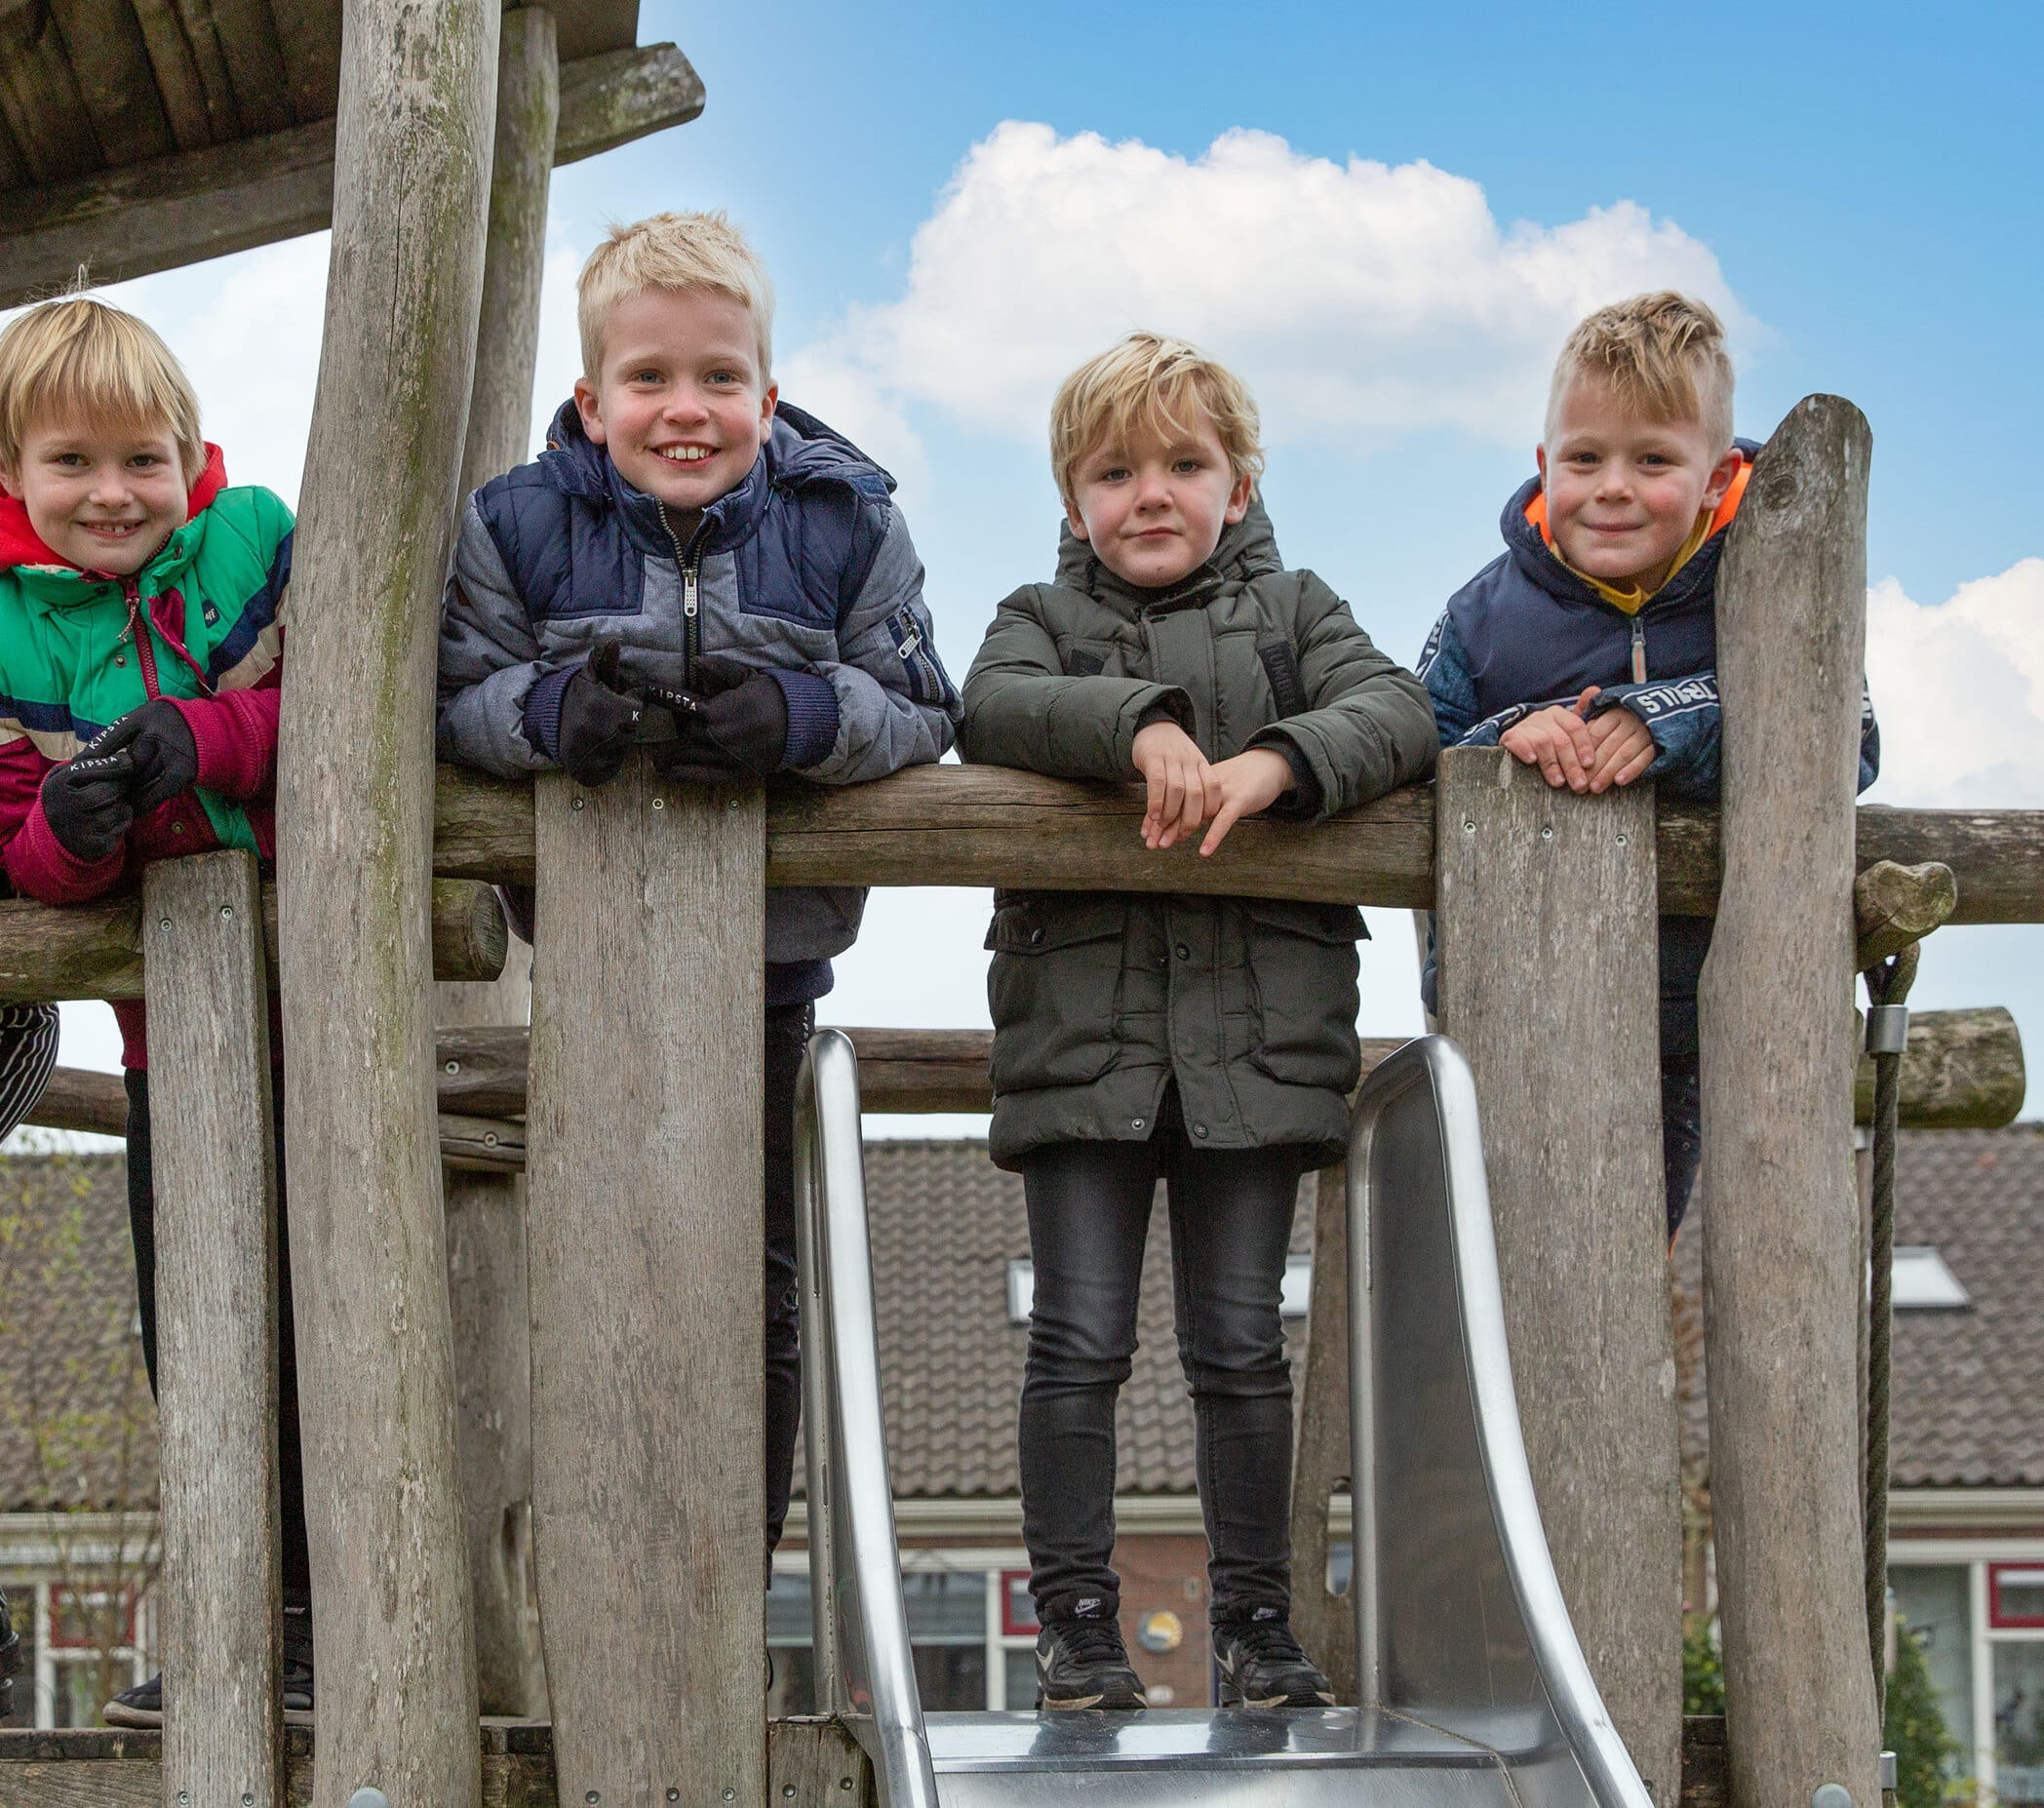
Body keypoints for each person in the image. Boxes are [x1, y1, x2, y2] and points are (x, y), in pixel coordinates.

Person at [436, 209, 960, 1576]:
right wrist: (550, 710)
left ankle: (736, 1564)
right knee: (609, 1261)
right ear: (590, 398)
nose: (686, 409)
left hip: (772, 963)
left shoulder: (847, 520)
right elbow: (453, 700)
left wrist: (800, 712)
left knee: (757, 1277)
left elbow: (919, 702)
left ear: (769, 396)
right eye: (650, 379)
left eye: (719, 379)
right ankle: (608, 1555)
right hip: (598, 962)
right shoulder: (517, 525)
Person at [960, 332, 1437, 1710]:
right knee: (1077, 1339)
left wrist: (1283, 758)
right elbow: (988, 708)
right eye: (1115, 472)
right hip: (1084, 1043)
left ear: (1239, 485)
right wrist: (1141, 727)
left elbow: (1399, 708)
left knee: (1237, 1346)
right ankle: (1078, 1631)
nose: (1150, 493)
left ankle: (1259, 1628)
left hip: (1255, 1044)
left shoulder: (1296, 611)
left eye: (1184, 464)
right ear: (1071, 502)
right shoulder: (1036, 622)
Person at [0, 294, 304, 1726]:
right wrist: (75, 826)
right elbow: (18, 847)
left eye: (143, 459)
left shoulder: (252, 541)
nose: (112, 493)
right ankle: (230, 1631)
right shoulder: (6, 626)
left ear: (191, 457)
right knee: (191, 1325)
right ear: (14, 476)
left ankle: (317, 1621)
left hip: (326, 1001)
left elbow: (359, 698)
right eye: (71, 463)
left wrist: (209, 735)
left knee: (331, 1314)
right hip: (166, 1041)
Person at [1417, 291, 1878, 1236]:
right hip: (1511, 1003)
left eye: (1653, 460)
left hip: (1700, 1017)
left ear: (1715, 478)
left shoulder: (1775, 585)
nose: (1612, 486)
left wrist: (1665, 717)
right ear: (1544, 465)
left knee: (1633, 1248)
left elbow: (1848, 735)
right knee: (1493, 1256)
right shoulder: (1480, 615)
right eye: (1584, 458)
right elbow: (1403, 744)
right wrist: (1504, 736)